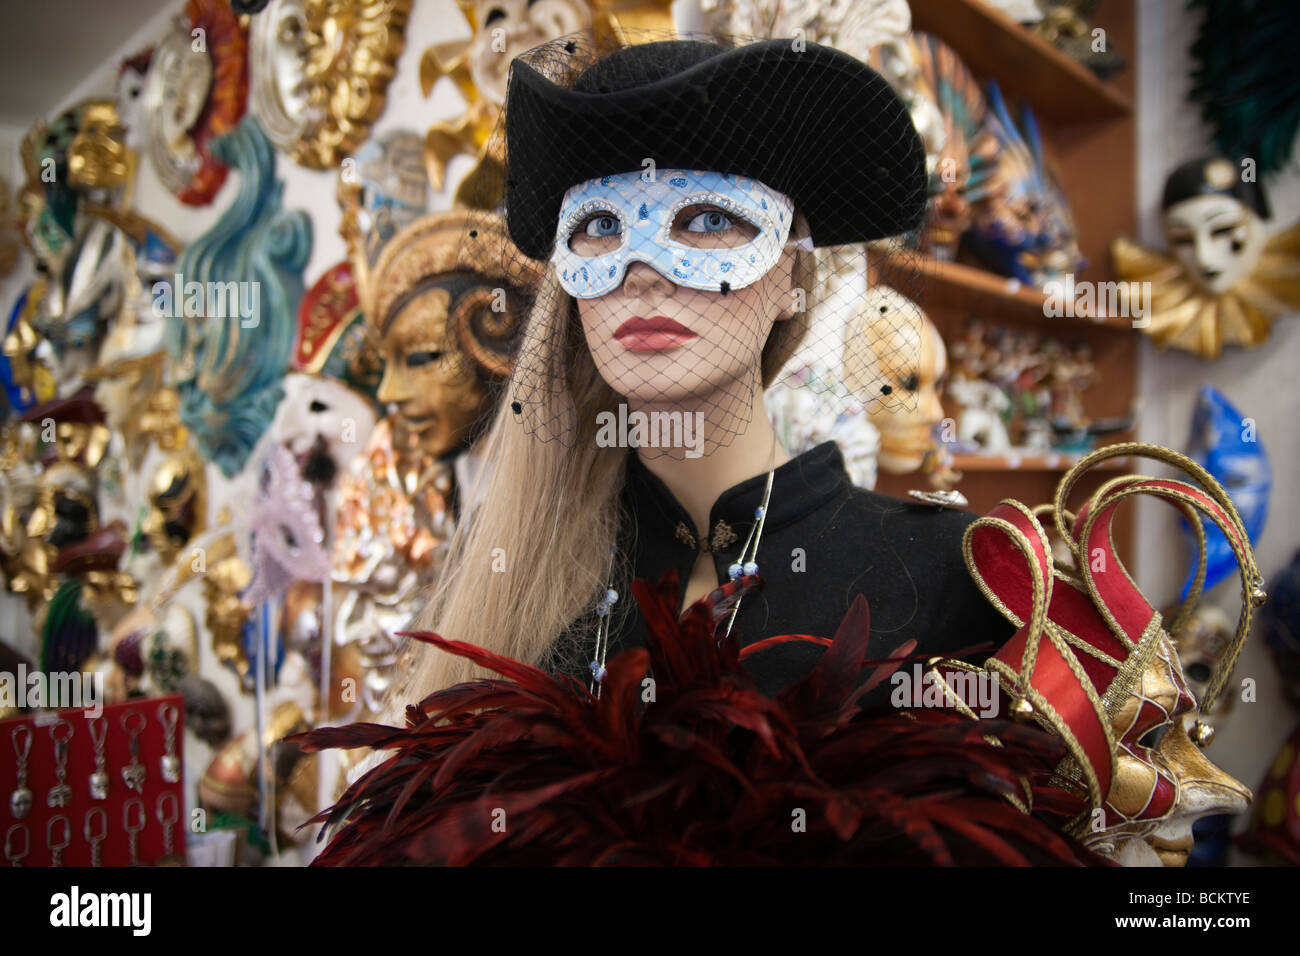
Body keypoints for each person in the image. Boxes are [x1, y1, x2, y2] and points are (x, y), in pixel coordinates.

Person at [386, 34, 1014, 719]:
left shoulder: (952, 577)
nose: (644, 272)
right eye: (600, 224)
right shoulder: (514, 595)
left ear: (789, 281)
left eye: (709, 219)